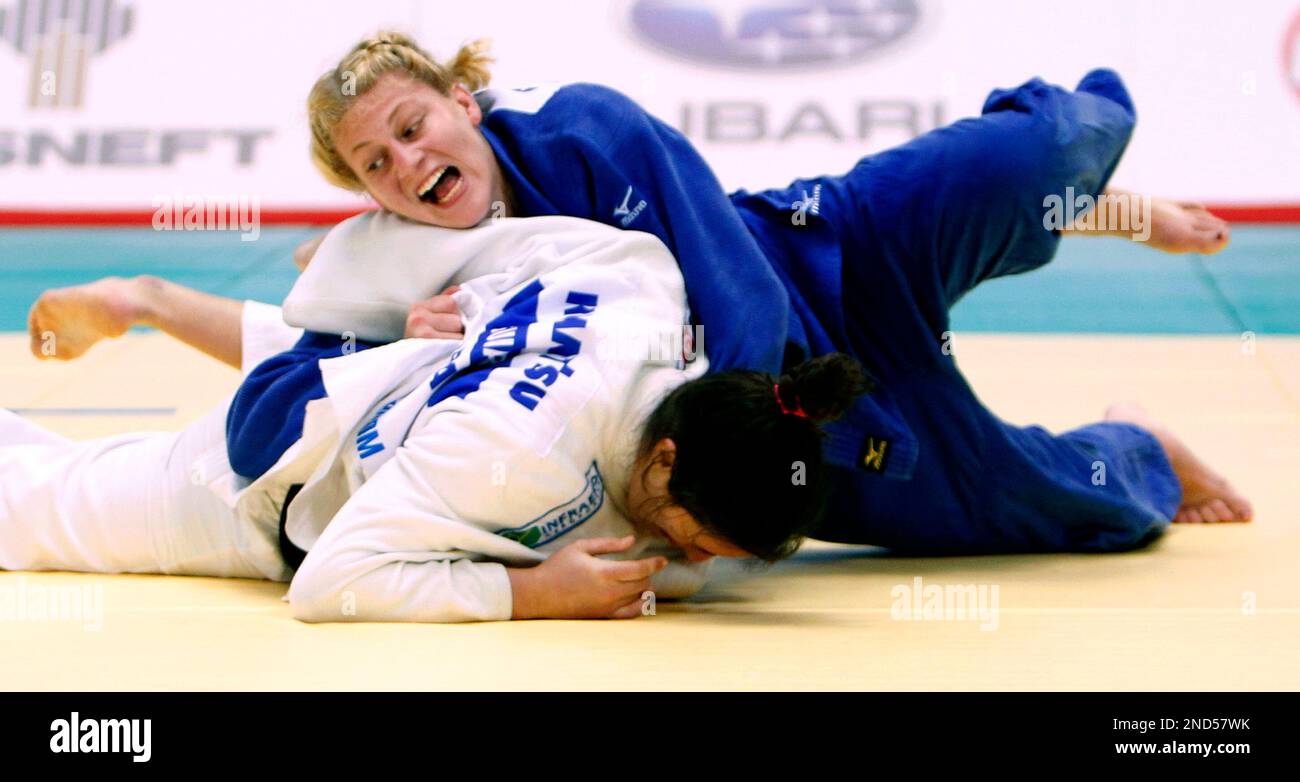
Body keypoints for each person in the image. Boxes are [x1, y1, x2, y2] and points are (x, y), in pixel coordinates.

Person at [26, 31, 1251, 552]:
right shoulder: (378, 257)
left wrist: (742, 433)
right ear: (361, 190)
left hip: (824, 255)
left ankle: (1084, 192)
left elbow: (732, 288)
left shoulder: (589, 131)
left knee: (1017, 159)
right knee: (1021, 509)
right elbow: (297, 364)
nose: (408, 164)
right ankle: (1139, 455)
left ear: (464, 98)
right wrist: (407, 327)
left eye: (414, 125)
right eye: (375, 164)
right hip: (819, 429)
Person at [2, 215, 870, 622]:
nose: (690, 560)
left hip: (387, 376)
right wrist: (531, 594)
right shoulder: (519, 452)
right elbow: (328, 585)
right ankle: (154, 299)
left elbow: (487, 241)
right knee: (33, 514)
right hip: (264, 488)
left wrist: (368, 284)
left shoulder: (641, 280)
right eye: (694, 537)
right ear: (667, 458)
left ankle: (156, 299)